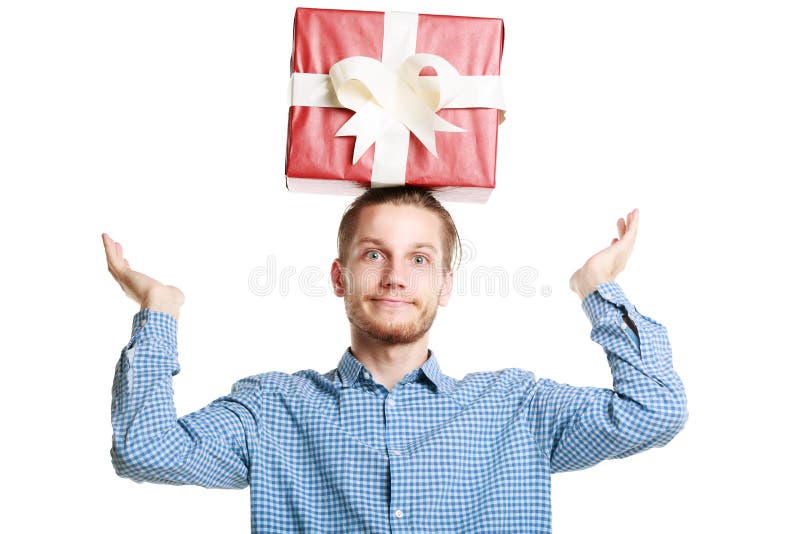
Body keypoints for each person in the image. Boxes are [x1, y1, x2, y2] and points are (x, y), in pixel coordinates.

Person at [103, 186, 687, 534]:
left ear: (446, 284)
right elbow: (145, 451)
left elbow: (656, 410)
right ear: (340, 277)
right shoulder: (271, 410)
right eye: (374, 255)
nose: (395, 278)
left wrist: (598, 287)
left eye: (419, 259)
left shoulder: (519, 408)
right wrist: (160, 310)